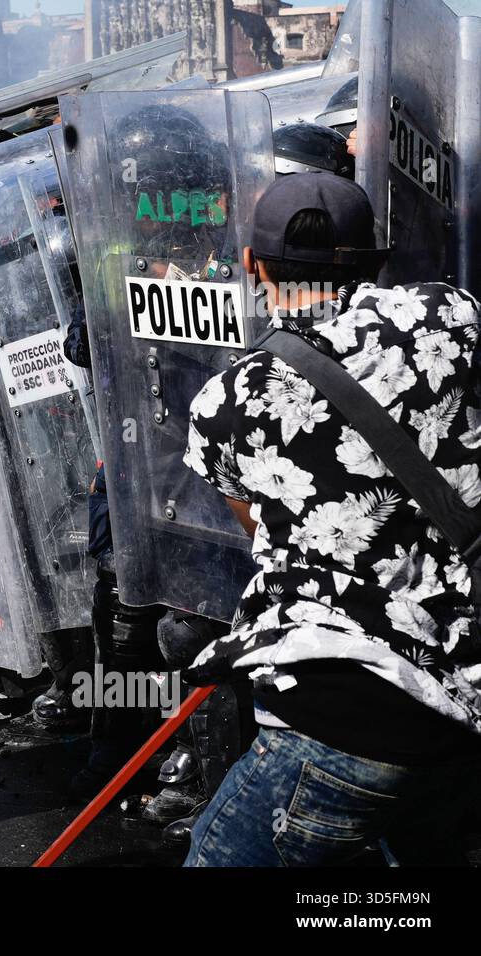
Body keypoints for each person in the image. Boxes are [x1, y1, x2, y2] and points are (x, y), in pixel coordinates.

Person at [182, 172, 481, 866]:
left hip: (341, 719)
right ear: (373, 256)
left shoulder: (226, 402)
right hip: (461, 702)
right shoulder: (453, 318)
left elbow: (257, 524)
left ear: (253, 267)